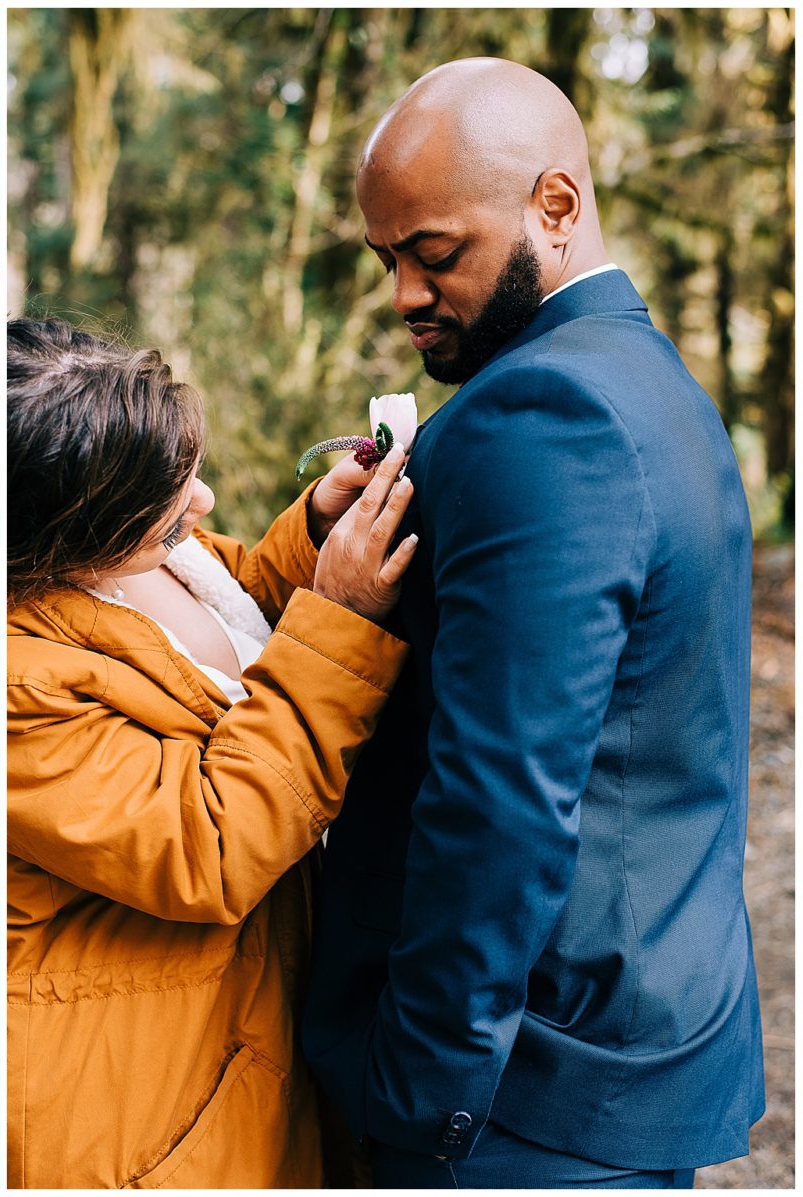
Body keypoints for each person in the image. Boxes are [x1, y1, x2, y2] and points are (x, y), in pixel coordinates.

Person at [302, 58, 764, 1188]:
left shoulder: (540, 412)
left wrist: (421, 1103)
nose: (404, 294)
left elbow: (499, 793)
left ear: (552, 208)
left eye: (434, 254)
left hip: (517, 1099)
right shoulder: (651, 384)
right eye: (387, 260)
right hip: (627, 1048)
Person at [5, 318, 418, 1187]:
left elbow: (238, 625)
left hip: (233, 1035)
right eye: (167, 511)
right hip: (136, 1108)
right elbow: (209, 844)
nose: (203, 504)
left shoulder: (138, 557)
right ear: (64, 535)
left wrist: (313, 533)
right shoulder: (16, 690)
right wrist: (340, 621)